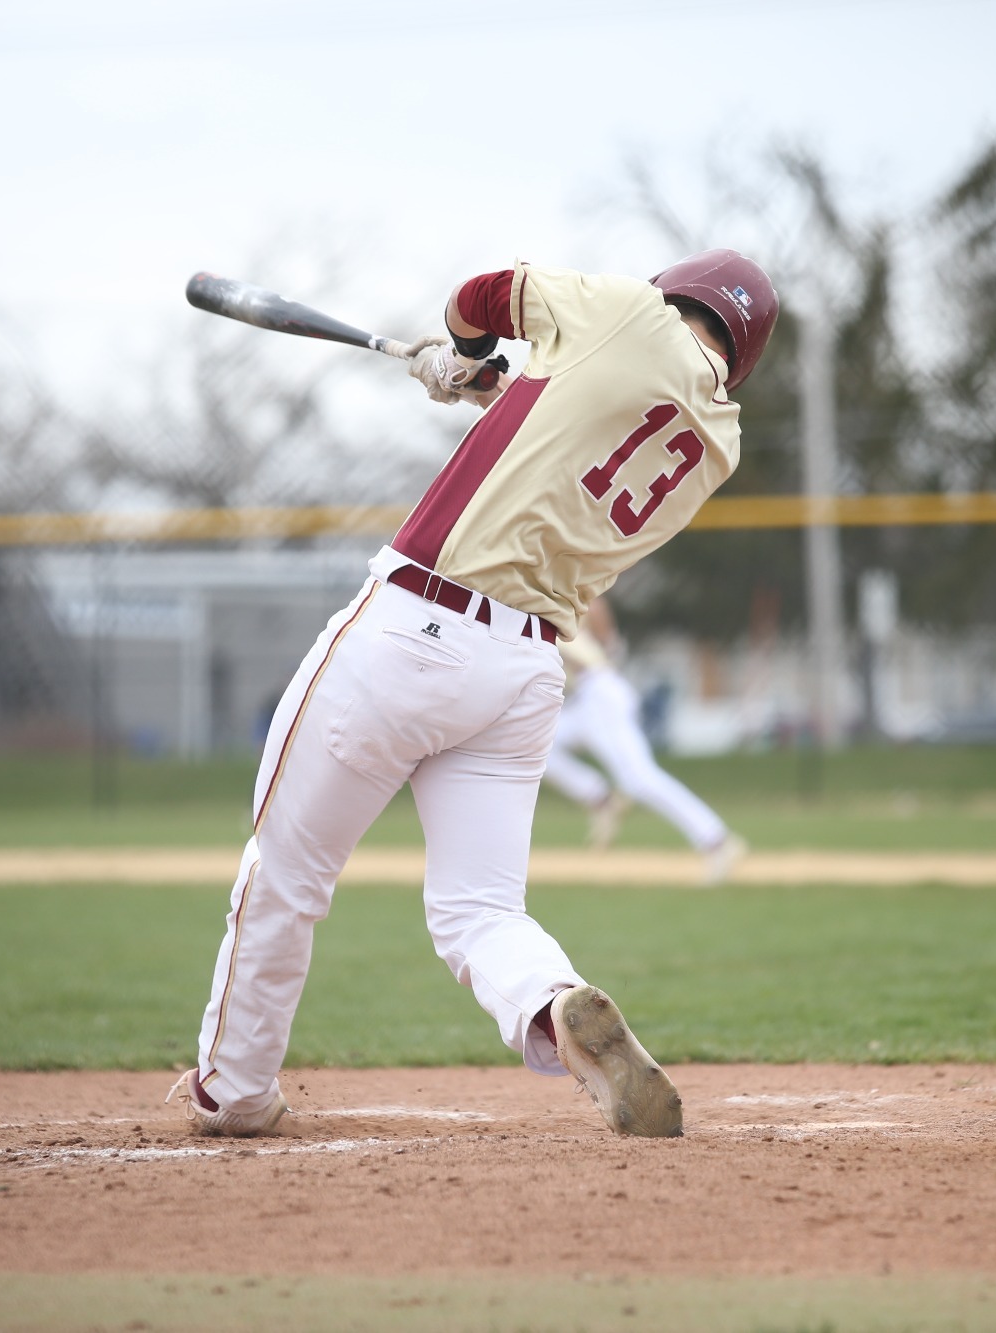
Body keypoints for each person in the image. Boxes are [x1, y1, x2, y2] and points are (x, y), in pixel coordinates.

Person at [169, 252, 779, 1139]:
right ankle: (555, 1000)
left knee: (286, 874)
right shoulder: (717, 440)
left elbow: (479, 294)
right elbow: (571, 446)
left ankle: (235, 1090)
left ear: (674, 289)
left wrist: (457, 353)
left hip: (411, 631)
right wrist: (501, 387)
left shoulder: (626, 313)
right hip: (525, 672)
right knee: (481, 911)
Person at [541, 595, 748, 884]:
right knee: (538, 746)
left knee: (639, 779)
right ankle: (600, 799)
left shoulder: (538, 592)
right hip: (580, 701)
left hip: (598, 693)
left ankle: (717, 840)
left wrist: (607, 642)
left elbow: (593, 597)